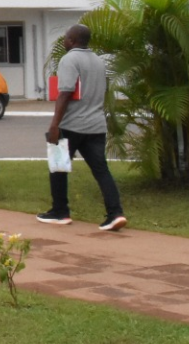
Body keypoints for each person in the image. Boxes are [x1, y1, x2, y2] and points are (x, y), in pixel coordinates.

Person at [40, 24, 127, 230]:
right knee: (101, 170)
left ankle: (60, 212)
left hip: (71, 124)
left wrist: (55, 125)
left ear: (72, 40)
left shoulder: (69, 59)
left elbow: (65, 92)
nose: (63, 41)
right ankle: (115, 213)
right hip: (96, 125)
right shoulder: (97, 60)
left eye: (66, 38)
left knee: (58, 166)